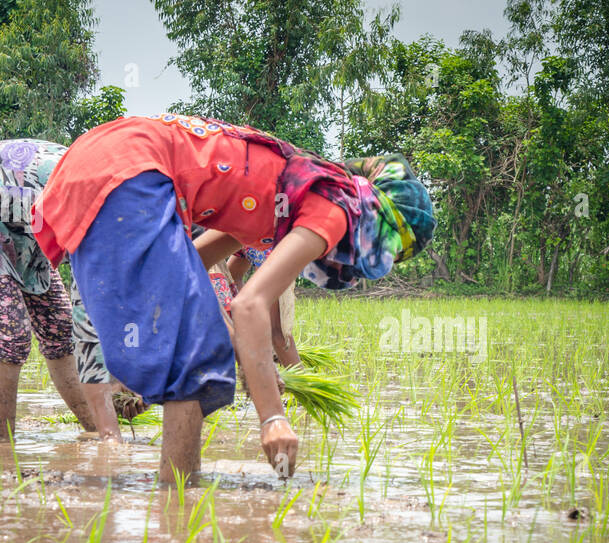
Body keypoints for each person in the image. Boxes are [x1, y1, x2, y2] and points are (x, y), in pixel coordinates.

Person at [34, 114, 435, 481]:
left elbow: (191, 263)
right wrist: (272, 416)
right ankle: (177, 495)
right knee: (196, 350)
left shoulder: (283, 193)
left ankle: (177, 489)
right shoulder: (334, 208)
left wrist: (245, 354)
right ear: (372, 219)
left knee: (201, 340)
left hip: (102, 157)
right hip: (130, 169)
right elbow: (250, 304)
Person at [0, 138, 126, 441]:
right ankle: (4, 451)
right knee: (11, 334)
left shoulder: (115, 201)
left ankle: (96, 430)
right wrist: (120, 379)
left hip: (28, 231)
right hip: (11, 215)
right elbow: (92, 308)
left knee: (59, 327)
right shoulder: (95, 205)